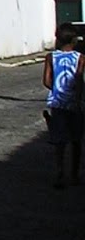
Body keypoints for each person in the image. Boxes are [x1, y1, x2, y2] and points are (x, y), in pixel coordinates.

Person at [42, 26, 82, 190]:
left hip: (58, 103)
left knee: (59, 141)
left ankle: (59, 173)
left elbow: (46, 80)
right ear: (74, 40)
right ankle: (74, 175)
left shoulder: (51, 57)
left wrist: (58, 90)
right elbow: (79, 80)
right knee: (76, 140)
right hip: (75, 103)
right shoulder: (81, 58)